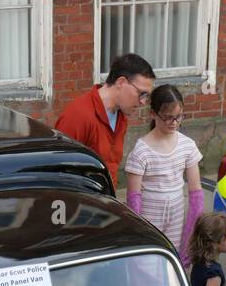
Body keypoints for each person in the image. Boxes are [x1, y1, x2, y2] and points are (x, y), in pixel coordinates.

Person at [124, 85, 204, 263]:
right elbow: (133, 199)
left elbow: (196, 193)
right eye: (168, 117)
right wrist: (137, 233)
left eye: (179, 117)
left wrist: (190, 237)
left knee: (171, 260)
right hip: (149, 215)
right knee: (147, 261)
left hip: (176, 213)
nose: (174, 122)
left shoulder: (187, 146)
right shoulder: (141, 151)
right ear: (153, 114)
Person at [55, 53, 155, 189]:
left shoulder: (121, 117)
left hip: (103, 200)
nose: (143, 101)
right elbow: (59, 172)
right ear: (121, 82)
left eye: (147, 96)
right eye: (141, 93)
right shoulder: (78, 116)